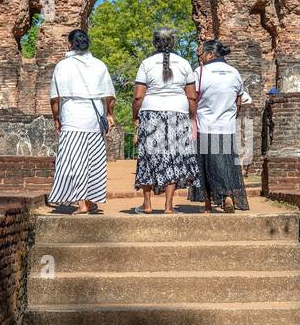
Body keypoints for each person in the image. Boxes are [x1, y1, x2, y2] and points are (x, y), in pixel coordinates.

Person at [48, 28, 115, 214]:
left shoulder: (62, 66)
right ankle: (90, 201)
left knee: (74, 161)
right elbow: (110, 96)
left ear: (70, 44)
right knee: (93, 161)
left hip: (72, 116)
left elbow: (55, 98)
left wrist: (56, 118)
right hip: (94, 118)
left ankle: (82, 203)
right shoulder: (99, 65)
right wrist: (110, 114)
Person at [131, 27, 198, 214]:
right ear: (173, 42)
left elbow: (138, 97)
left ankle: (147, 204)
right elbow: (192, 97)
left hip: (151, 113)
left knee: (147, 157)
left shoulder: (146, 63)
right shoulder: (184, 64)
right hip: (178, 113)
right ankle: (169, 205)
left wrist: (135, 117)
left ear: (155, 42)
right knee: (173, 158)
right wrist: (192, 117)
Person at [188, 39, 252, 213]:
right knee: (227, 164)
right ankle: (228, 196)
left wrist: (191, 117)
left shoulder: (200, 72)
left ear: (210, 54)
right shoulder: (234, 73)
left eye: (202, 53)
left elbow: (193, 98)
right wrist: (231, 116)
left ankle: (208, 205)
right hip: (227, 127)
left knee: (206, 166)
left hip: (205, 125)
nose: (200, 56)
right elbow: (239, 100)